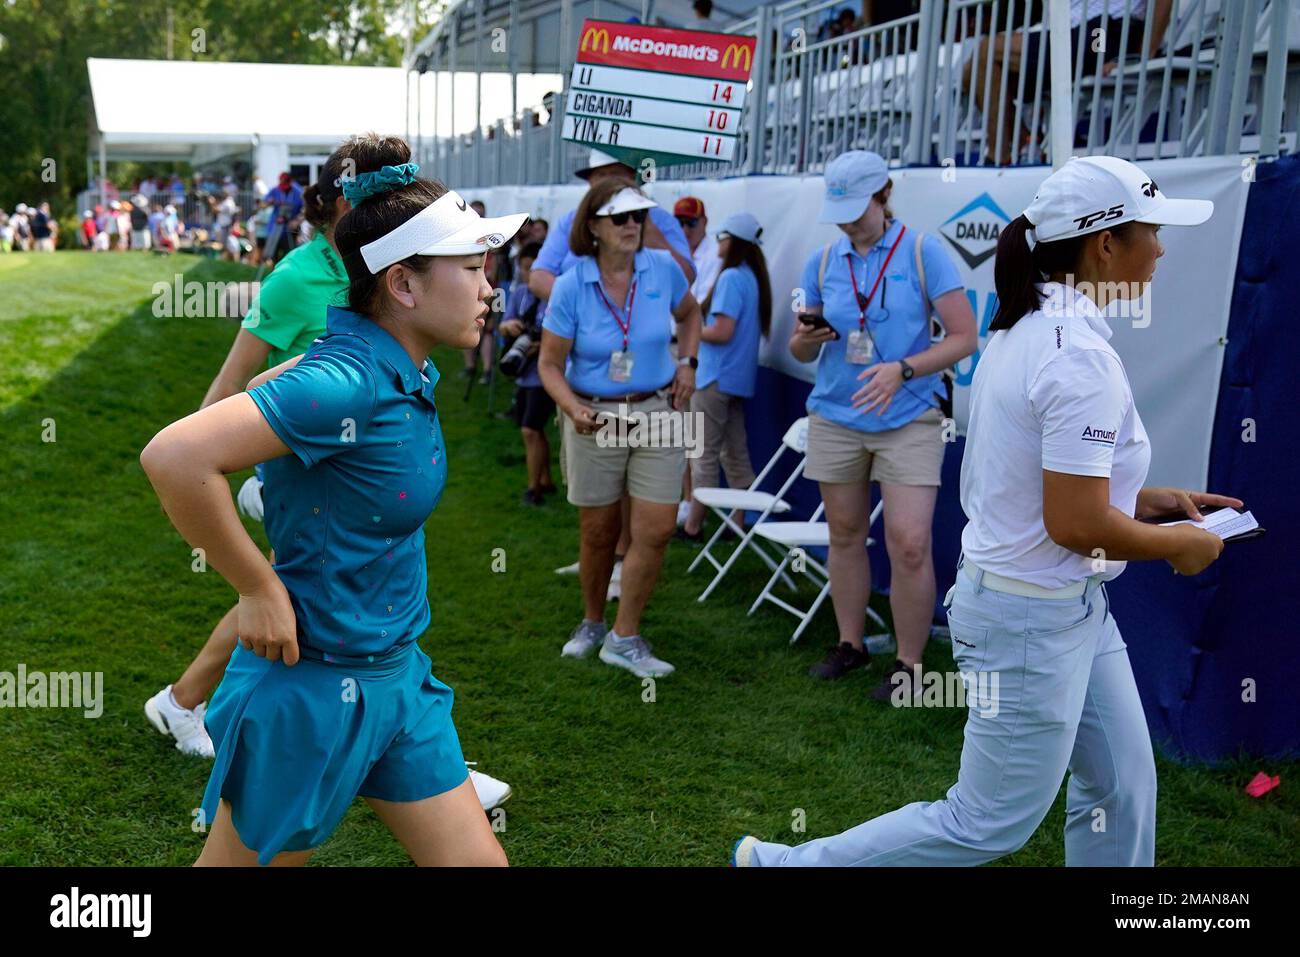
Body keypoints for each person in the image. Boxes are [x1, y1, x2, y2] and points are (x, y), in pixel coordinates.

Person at [734, 155, 1234, 868]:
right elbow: (1076, 524)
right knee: (984, 822)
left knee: (1121, 785)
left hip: (1061, 604)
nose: (1160, 247)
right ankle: (784, 865)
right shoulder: (1070, 353)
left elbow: (1048, 488)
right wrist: (1182, 545)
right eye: (1151, 231)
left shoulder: (1028, 330)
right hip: (1034, 613)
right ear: (1105, 245)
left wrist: (1152, 502)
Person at [140, 162, 528, 867]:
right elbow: (173, 457)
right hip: (312, 693)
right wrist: (257, 587)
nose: (489, 286)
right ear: (402, 284)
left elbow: (265, 383)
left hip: (400, 683)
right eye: (472, 267)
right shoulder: (347, 381)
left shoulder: (397, 364)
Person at [790, 150, 977, 698]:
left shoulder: (924, 251)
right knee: (845, 534)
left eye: (857, 207)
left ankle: (911, 665)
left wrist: (903, 369)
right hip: (837, 414)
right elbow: (798, 347)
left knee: (910, 543)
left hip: (909, 416)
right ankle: (850, 644)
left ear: (885, 194)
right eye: (840, 209)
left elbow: (964, 337)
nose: (847, 219)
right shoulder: (823, 261)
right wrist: (806, 339)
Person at [538, 180, 702, 677]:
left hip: (658, 410)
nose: (633, 226)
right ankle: (591, 620)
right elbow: (549, 364)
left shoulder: (663, 267)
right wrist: (571, 407)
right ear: (594, 228)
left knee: (655, 530)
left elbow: (690, 314)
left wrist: (689, 363)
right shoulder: (572, 283)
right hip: (595, 415)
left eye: (638, 217)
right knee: (598, 532)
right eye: (620, 218)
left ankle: (624, 635)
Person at [966, 0, 1173, 165]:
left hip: (1106, 33)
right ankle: (1019, 139)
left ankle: (999, 155)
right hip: (1072, 34)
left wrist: (1145, 52)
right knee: (971, 73)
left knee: (989, 50)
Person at [679, 212, 771, 542]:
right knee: (734, 453)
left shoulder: (732, 277)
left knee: (703, 455)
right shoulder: (750, 276)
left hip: (714, 377)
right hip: (735, 378)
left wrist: (689, 331)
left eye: (722, 237)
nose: (718, 243)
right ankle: (738, 522)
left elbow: (722, 331)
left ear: (733, 242)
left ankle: (693, 527)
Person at [499, 242, 556, 506]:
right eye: (525, 268)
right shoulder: (519, 293)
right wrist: (510, 327)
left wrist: (543, 345)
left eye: (535, 269)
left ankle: (533, 490)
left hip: (546, 375)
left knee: (530, 430)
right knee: (535, 430)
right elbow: (503, 326)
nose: (530, 274)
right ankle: (546, 479)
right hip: (523, 372)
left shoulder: (556, 296)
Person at [674, 197, 722, 305]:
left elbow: (704, 302)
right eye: (679, 223)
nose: (685, 230)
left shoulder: (715, 256)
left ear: (704, 222)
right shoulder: (673, 254)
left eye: (691, 223)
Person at [261, 171, 304, 266]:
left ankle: (289, 272)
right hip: (276, 227)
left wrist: (297, 221)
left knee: (289, 254)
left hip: (290, 229)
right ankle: (274, 270)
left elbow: (305, 210)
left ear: (291, 182)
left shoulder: (299, 192)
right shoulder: (275, 190)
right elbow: (262, 204)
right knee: (273, 254)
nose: (284, 189)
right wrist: (268, 203)